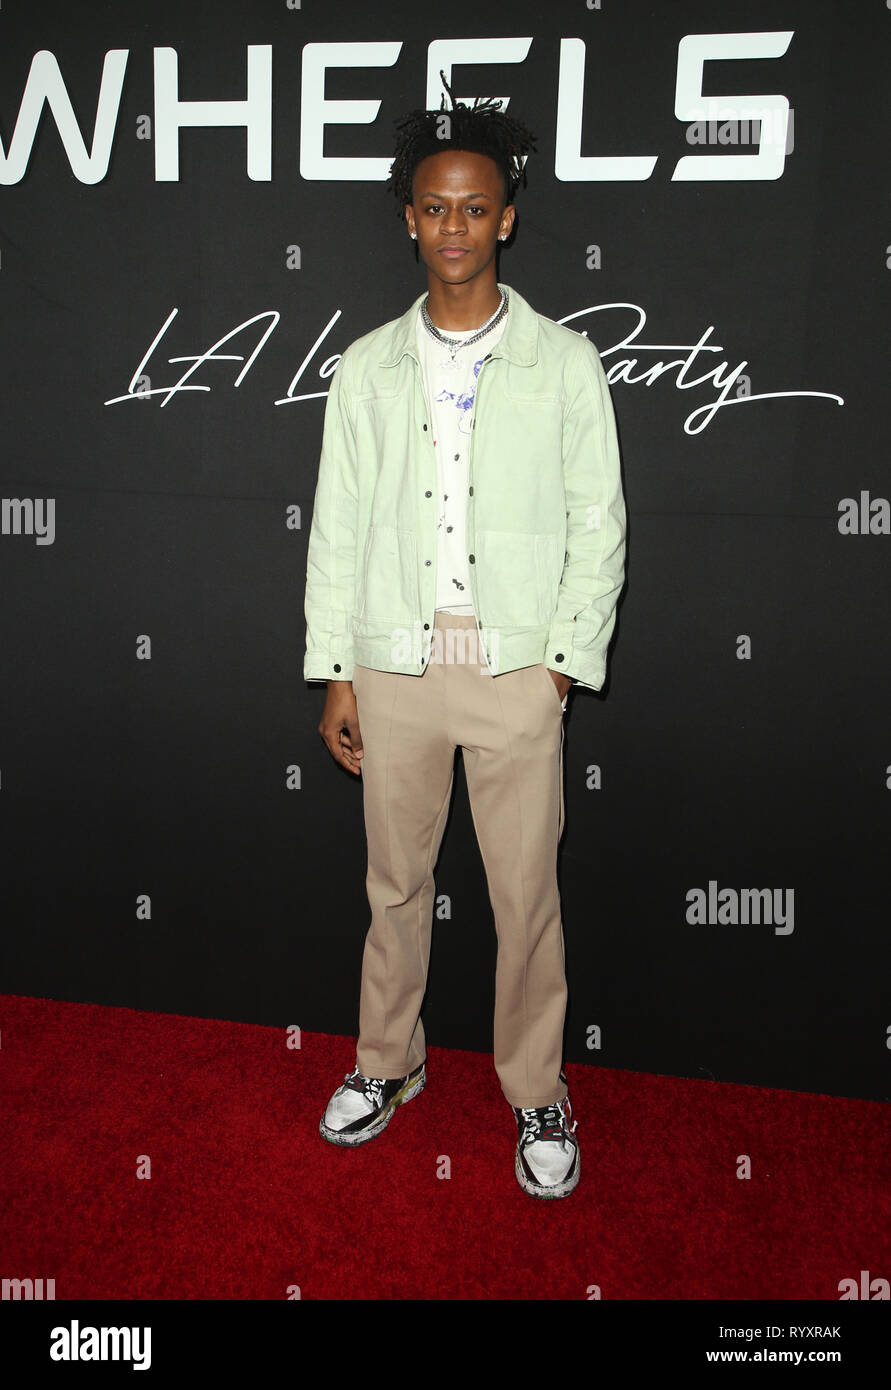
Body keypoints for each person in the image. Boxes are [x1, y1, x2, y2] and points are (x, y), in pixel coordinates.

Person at [303, 77, 626, 1199]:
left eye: (474, 207)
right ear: (408, 218)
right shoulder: (365, 368)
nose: (454, 226)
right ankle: (388, 1061)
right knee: (395, 881)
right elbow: (337, 528)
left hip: (514, 665)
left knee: (524, 891)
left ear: (507, 217)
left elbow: (601, 519)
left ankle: (538, 1085)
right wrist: (336, 667)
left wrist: (561, 663)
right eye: (434, 207)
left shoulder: (567, 363)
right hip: (394, 659)